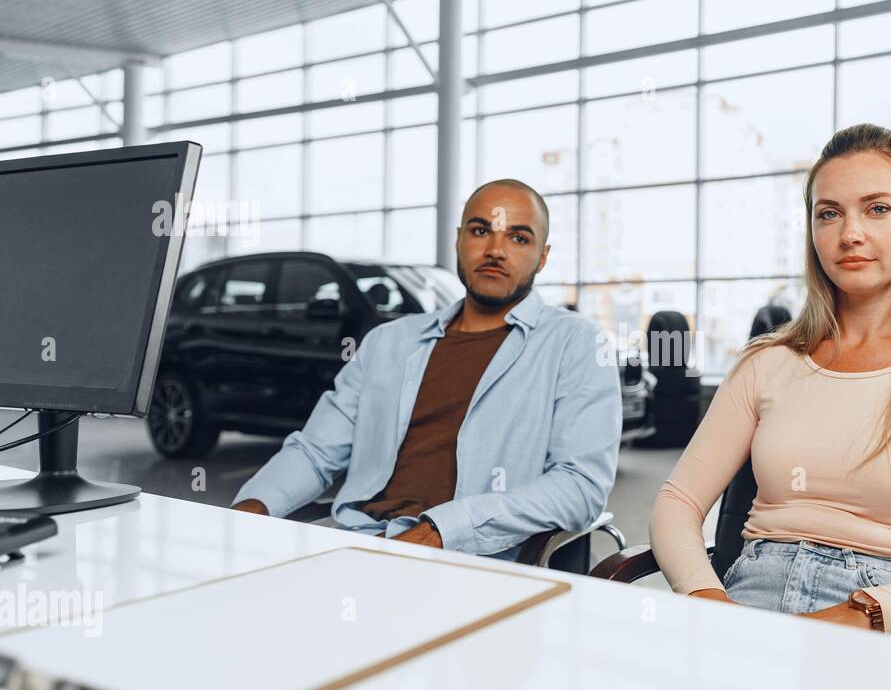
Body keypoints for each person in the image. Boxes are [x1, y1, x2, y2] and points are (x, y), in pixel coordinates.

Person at [649, 123, 891, 639]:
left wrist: (862, 614)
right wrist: (706, 599)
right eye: (829, 213)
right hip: (752, 596)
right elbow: (677, 502)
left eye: (878, 208)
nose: (850, 234)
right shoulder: (768, 361)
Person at [231, 179, 623, 561]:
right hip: (359, 543)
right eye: (481, 230)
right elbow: (315, 452)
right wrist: (250, 510)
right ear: (458, 239)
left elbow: (580, 487)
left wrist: (444, 530)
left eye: (518, 238)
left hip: (476, 560)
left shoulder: (575, 344)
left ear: (542, 256)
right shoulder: (389, 342)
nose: (495, 250)